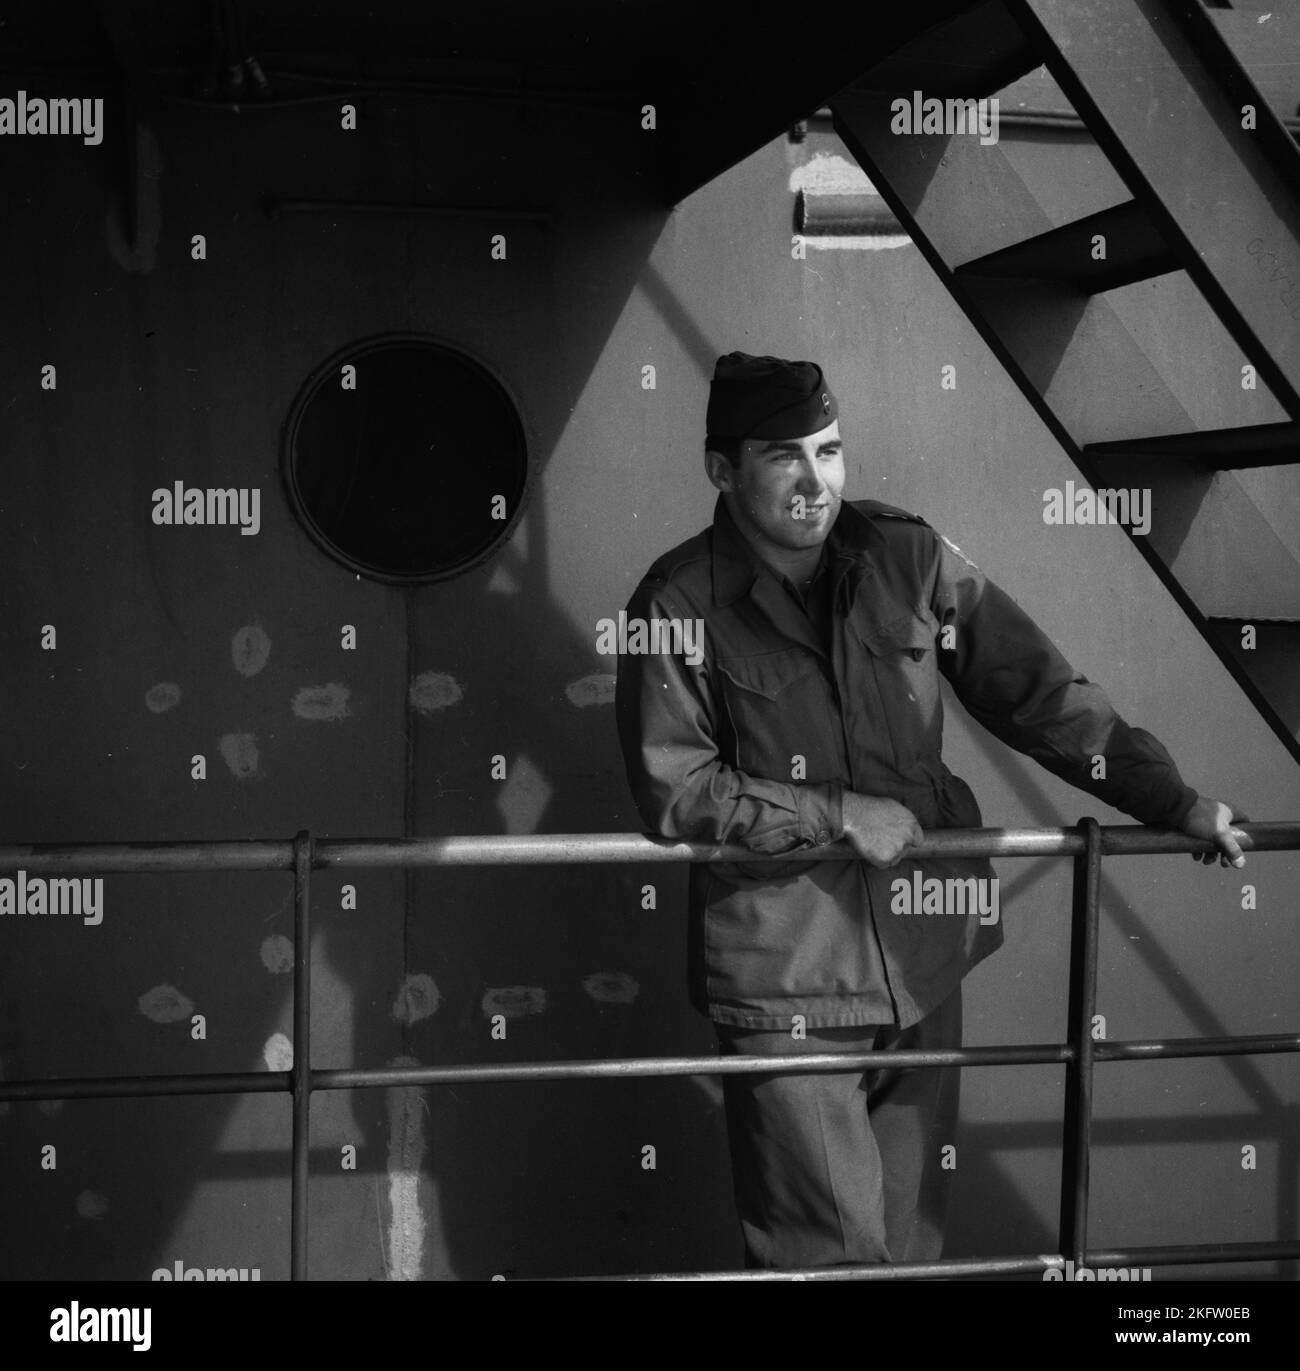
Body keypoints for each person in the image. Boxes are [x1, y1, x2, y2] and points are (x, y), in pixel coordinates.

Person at [613, 350, 1249, 1272]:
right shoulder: (674, 602)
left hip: (922, 953)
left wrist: (1172, 798)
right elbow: (673, 788)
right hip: (787, 977)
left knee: (912, 1249)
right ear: (722, 468)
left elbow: (1036, 692)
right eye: (783, 455)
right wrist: (837, 812)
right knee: (823, 1256)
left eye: (829, 450)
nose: (815, 479)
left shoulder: (906, 557)